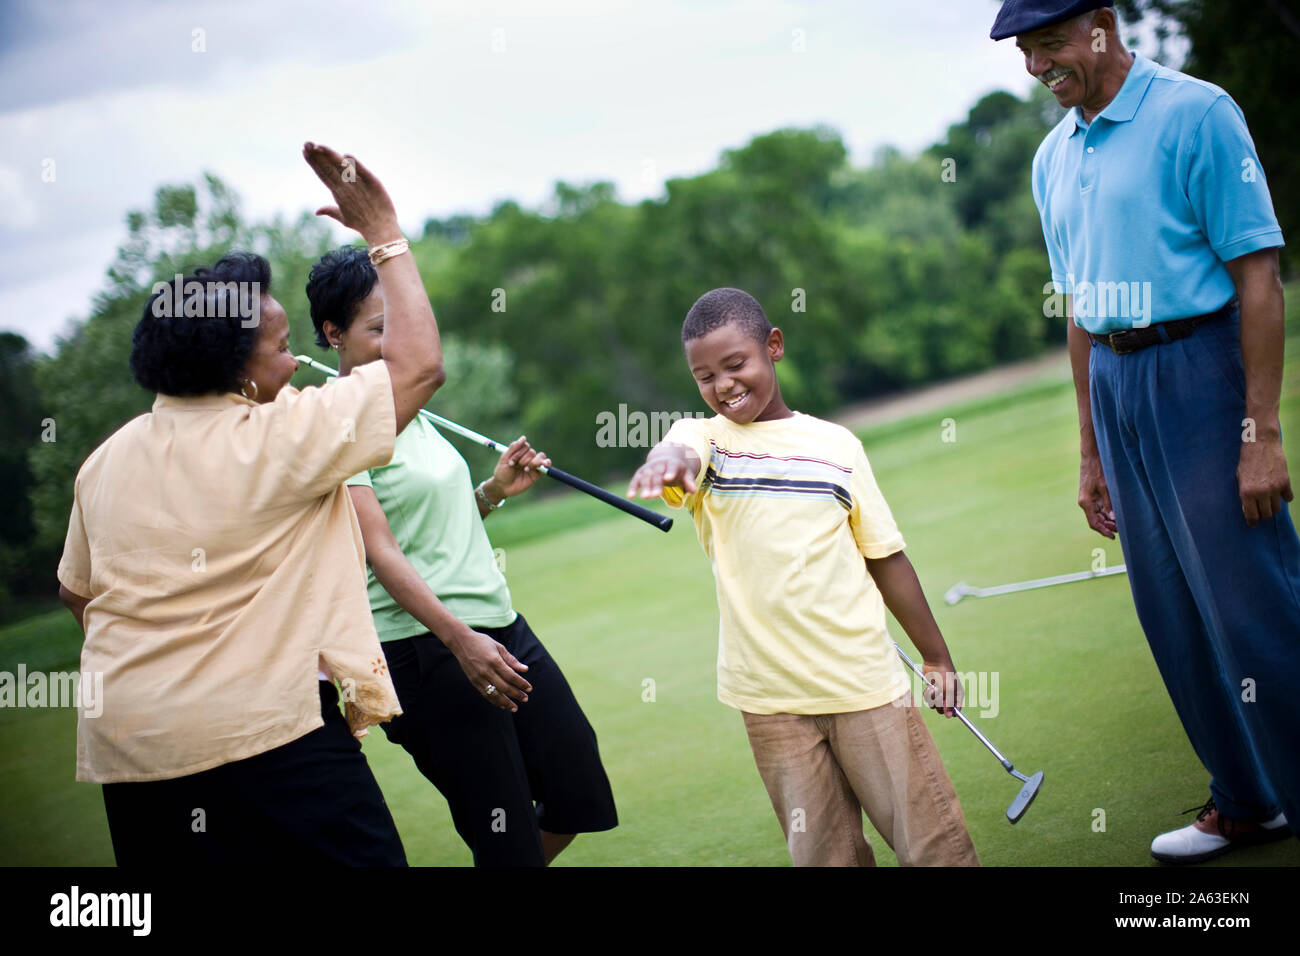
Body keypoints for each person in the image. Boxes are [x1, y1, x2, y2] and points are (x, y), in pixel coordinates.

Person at [55, 143, 445, 865]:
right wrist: (383, 232)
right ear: (235, 367)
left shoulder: (102, 462)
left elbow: (78, 594)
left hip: (135, 750)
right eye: (282, 346)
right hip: (270, 740)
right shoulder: (280, 435)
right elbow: (419, 365)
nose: (296, 361)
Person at [992, 0, 1300, 862]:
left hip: (1201, 371)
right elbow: (1081, 313)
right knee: (1169, 613)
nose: (1036, 67)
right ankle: (1245, 803)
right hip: (1118, 388)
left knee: (1253, 607)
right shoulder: (1051, 157)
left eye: (1048, 44)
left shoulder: (1196, 113)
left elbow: (1260, 277)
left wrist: (1260, 433)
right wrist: (1089, 450)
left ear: (1101, 22)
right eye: (1024, 52)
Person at [626, 288, 979, 867]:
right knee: (823, 857)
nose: (724, 385)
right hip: (770, 702)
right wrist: (668, 460)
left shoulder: (837, 446)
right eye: (705, 376)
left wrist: (935, 658)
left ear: (773, 347)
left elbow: (886, 558)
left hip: (864, 684)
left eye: (736, 364)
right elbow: (681, 449)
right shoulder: (706, 441)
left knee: (931, 847)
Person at [305, 245, 618, 867]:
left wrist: (492, 492)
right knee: (504, 837)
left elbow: (433, 528)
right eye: (377, 328)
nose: (396, 342)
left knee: (576, 789)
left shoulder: (413, 414)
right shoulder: (339, 424)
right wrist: (458, 640)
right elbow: (383, 554)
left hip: (498, 626)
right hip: (425, 651)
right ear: (332, 333)